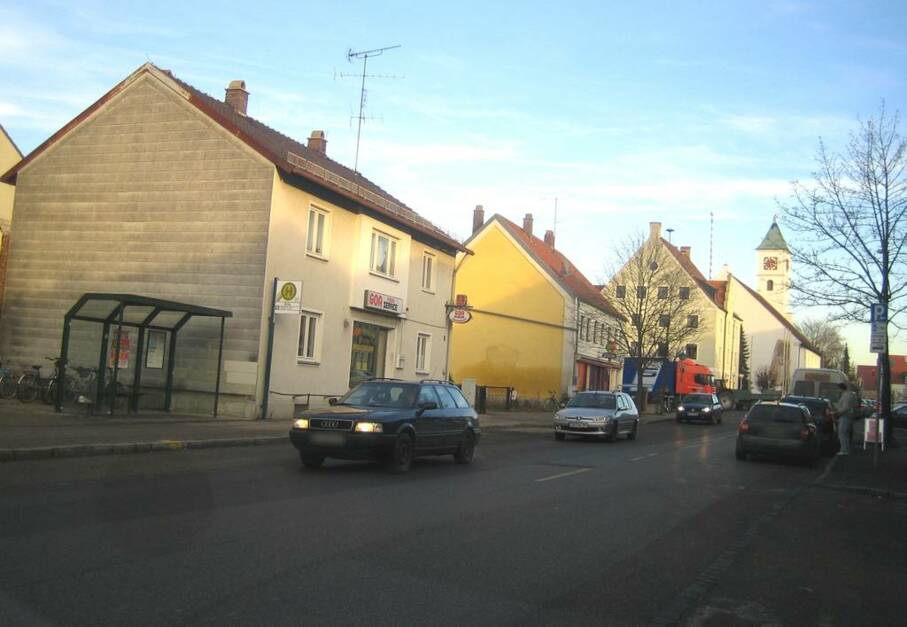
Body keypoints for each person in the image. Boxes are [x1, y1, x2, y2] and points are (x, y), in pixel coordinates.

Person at [835, 382, 856, 456]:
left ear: (841, 388)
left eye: (838, 389)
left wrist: (838, 413)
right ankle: (845, 450)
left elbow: (845, 407)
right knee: (845, 434)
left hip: (845, 416)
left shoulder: (846, 396)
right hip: (847, 416)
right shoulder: (848, 395)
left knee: (842, 433)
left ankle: (844, 450)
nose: (837, 390)